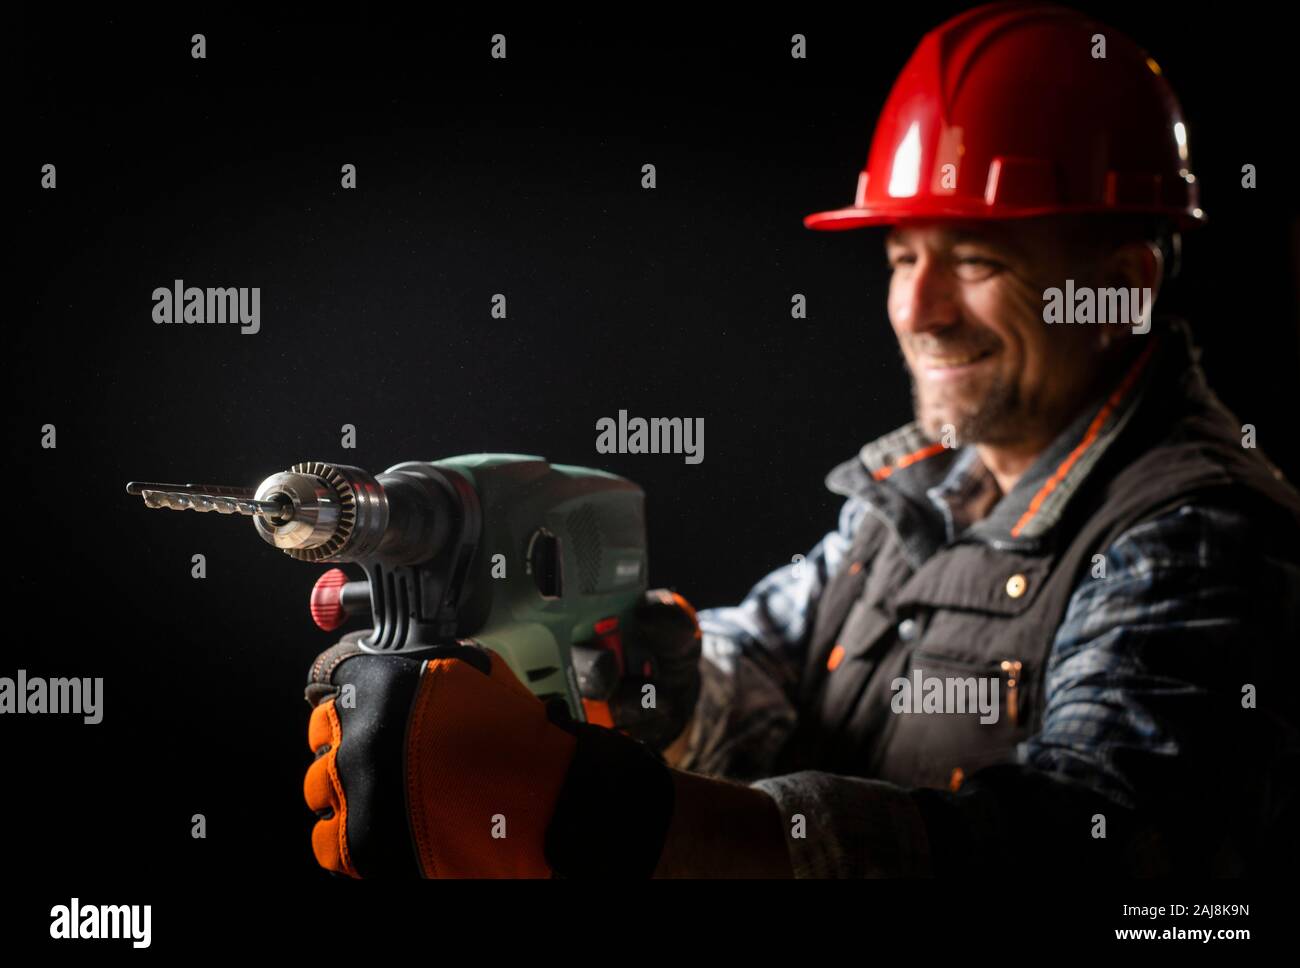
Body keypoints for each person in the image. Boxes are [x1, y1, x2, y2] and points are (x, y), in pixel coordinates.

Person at [301, 2, 1300, 877]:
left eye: (978, 260)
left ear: (1122, 284)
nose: (917, 309)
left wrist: (623, 818)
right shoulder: (917, 494)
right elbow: (765, 661)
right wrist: (655, 688)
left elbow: (1102, 844)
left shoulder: (1194, 535)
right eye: (902, 254)